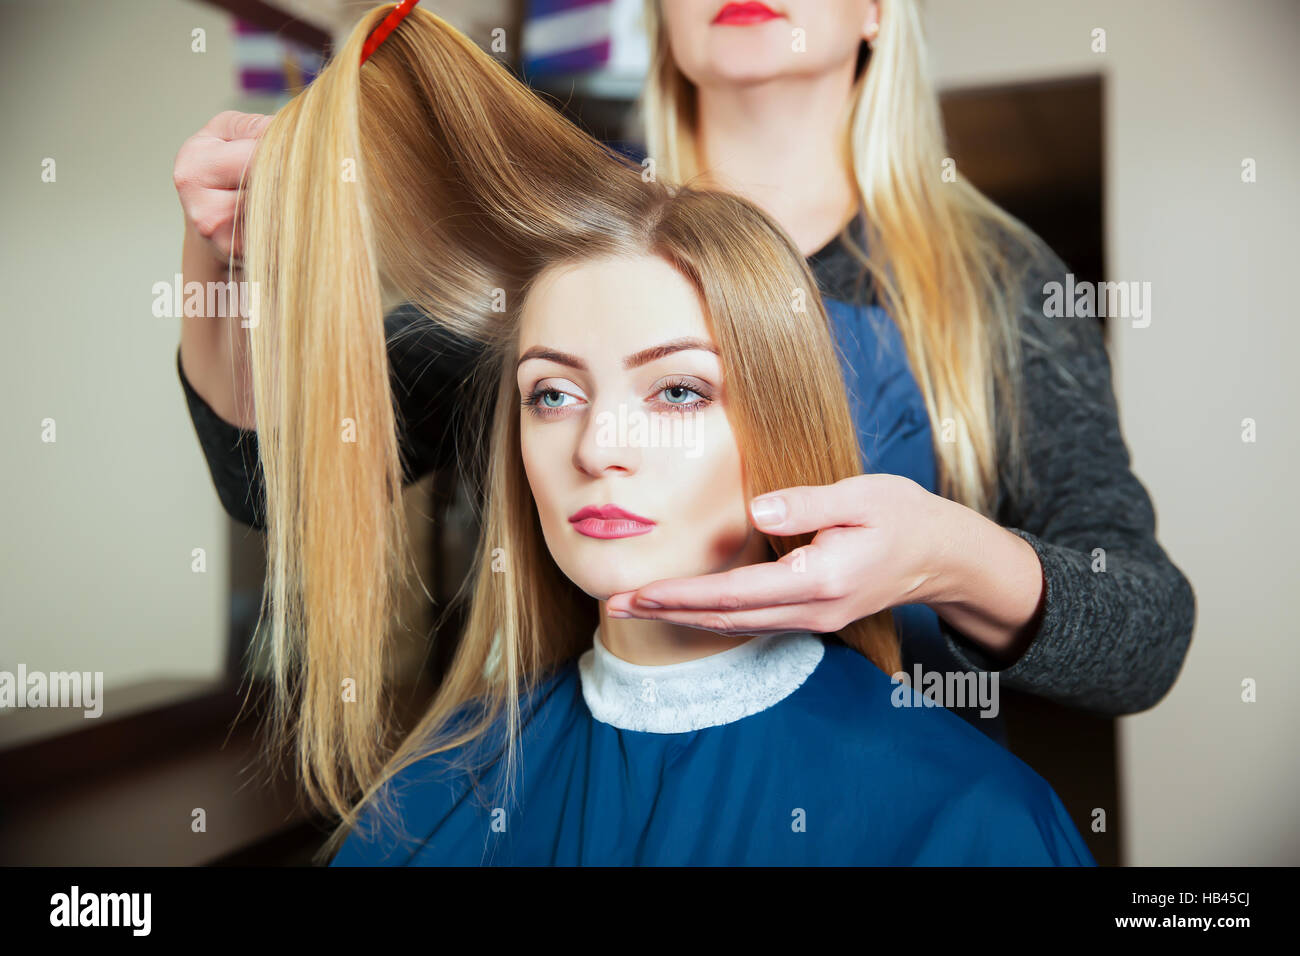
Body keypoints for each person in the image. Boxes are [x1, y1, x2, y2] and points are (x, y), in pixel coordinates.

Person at [173, 0, 1194, 747]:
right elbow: (271, 479)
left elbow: (1144, 634)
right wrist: (223, 259)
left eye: (677, 387)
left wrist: (948, 558)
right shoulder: (560, 259)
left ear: (880, 11)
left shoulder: (997, 282)